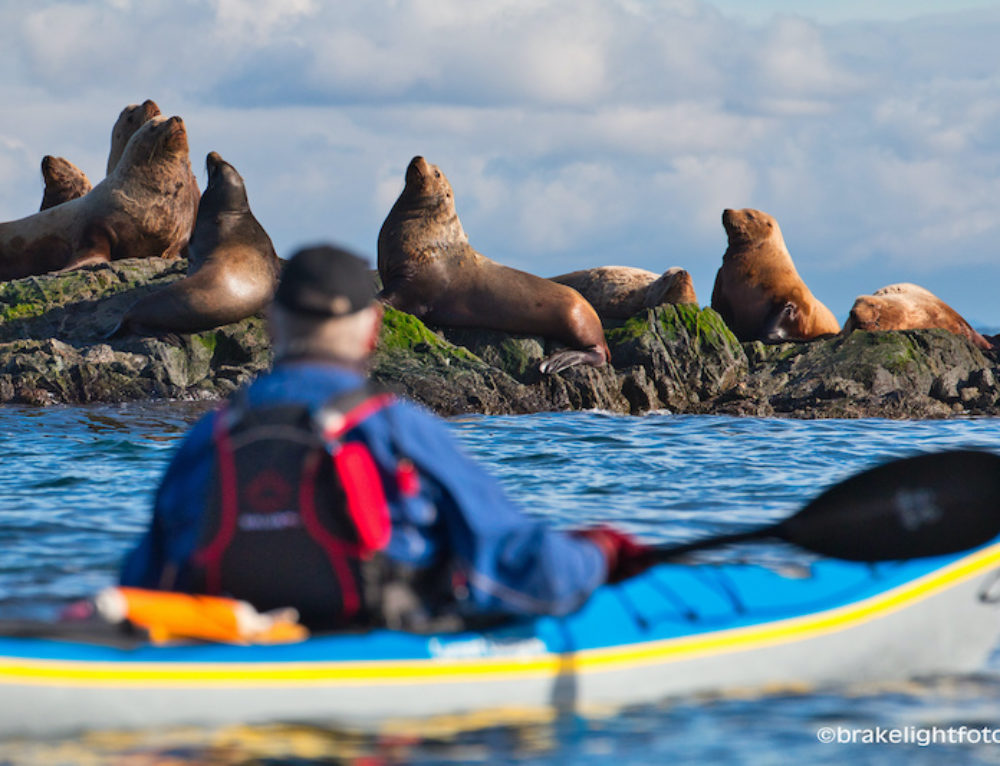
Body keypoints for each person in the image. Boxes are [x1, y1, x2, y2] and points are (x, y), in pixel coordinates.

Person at [120, 245, 647, 631]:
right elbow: (521, 566)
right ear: (373, 329)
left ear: (272, 327)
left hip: (233, 655)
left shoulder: (209, 435)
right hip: (376, 652)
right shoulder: (399, 428)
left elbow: (141, 581)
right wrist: (597, 554)